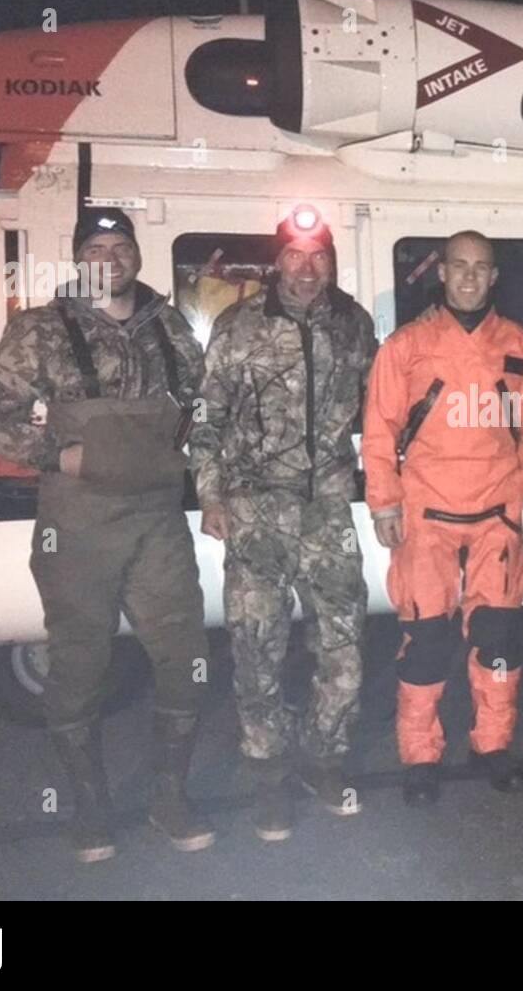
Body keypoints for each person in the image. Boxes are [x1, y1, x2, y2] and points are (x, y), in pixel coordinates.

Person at [0, 207, 213, 861]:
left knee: (186, 661)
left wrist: (200, 470)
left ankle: (169, 797)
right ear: (80, 258)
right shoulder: (42, 329)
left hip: (157, 521)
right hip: (76, 523)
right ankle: (90, 807)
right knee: (80, 667)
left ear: (137, 254)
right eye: (97, 246)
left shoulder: (169, 327)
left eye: (121, 244)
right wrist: (60, 455)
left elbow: (205, 407)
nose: (110, 256)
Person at [191, 208, 376, 839]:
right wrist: (212, 496)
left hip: (326, 508)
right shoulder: (238, 325)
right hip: (255, 509)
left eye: (317, 256)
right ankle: (268, 774)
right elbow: (207, 418)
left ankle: (323, 759)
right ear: (276, 263)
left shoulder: (354, 325)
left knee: (345, 649)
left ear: (330, 262)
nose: (305, 269)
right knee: (256, 648)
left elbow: (379, 406)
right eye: (293, 256)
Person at [363, 230, 523, 807]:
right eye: (459, 266)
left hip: (498, 511)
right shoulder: (406, 346)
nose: (470, 277)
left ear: (494, 277)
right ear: (440, 273)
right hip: (427, 515)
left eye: (481, 268)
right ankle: (420, 755)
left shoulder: (520, 344)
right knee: (425, 640)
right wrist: (384, 502)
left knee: (498, 638)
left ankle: (492, 745)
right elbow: (380, 431)